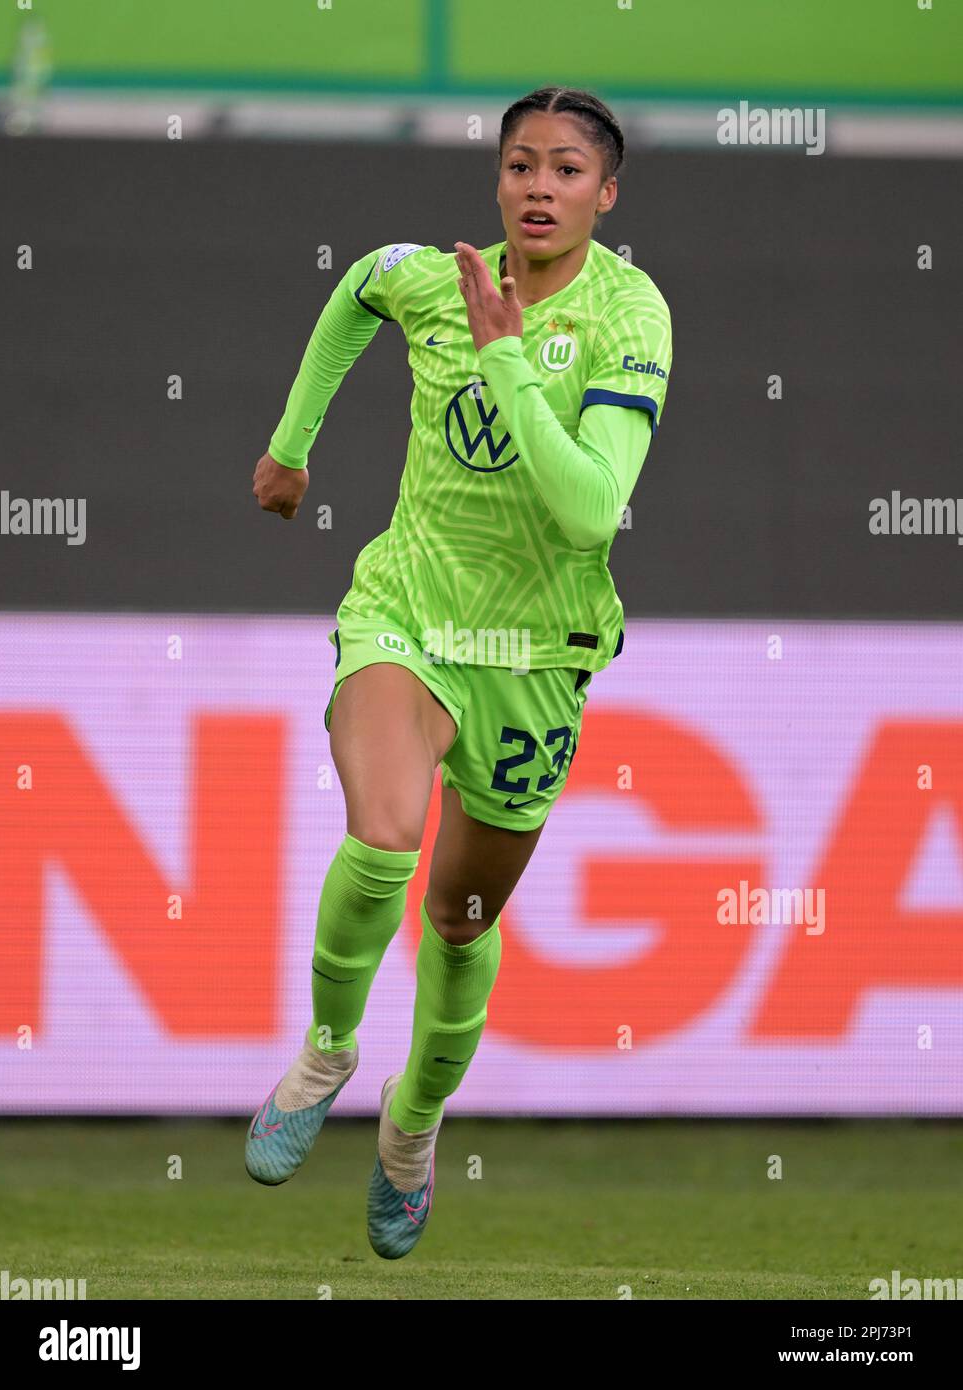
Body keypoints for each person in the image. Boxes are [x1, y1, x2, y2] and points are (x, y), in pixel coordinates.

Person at [245, 85, 672, 1261]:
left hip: (538, 658)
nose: (541, 186)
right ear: (495, 179)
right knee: (383, 835)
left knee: (458, 915)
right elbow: (354, 290)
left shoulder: (630, 314)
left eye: (568, 171)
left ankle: (410, 1131)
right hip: (411, 615)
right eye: (521, 164)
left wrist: (506, 366)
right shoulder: (431, 276)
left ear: (605, 193)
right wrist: (292, 448)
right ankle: (326, 1050)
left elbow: (589, 513)